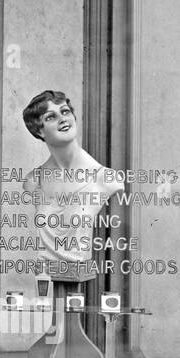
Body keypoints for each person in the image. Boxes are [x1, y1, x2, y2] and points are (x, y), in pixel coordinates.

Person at [21, 90, 124, 282]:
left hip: (78, 267)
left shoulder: (106, 179)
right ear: (39, 131)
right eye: (51, 116)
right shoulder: (34, 180)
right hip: (47, 269)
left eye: (65, 111)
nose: (62, 119)